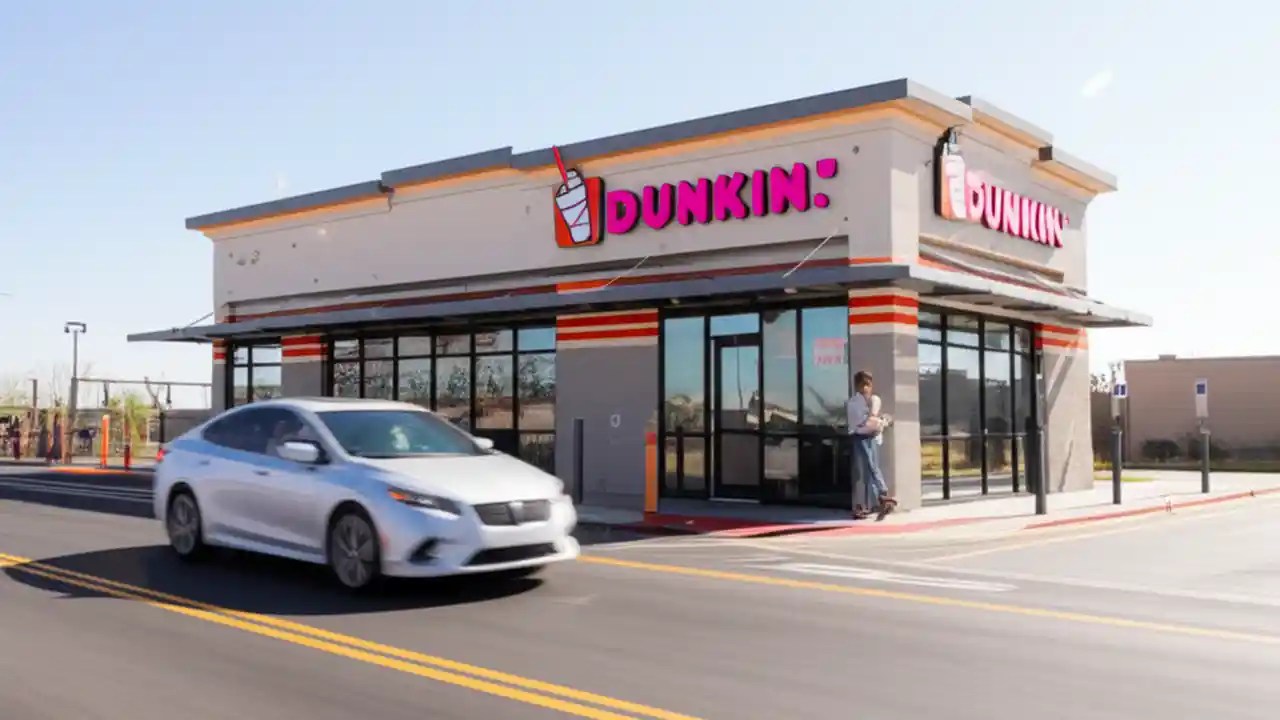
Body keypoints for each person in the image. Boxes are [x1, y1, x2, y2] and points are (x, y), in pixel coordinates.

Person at [846, 370, 897, 520]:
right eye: (863, 385)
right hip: (860, 437)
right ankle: (881, 494)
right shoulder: (853, 403)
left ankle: (875, 502)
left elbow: (875, 422)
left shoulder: (873, 400)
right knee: (868, 468)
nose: (866, 388)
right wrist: (877, 421)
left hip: (872, 437)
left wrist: (879, 421)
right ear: (857, 386)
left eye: (868, 385)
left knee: (871, 471)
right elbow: (862, 424)